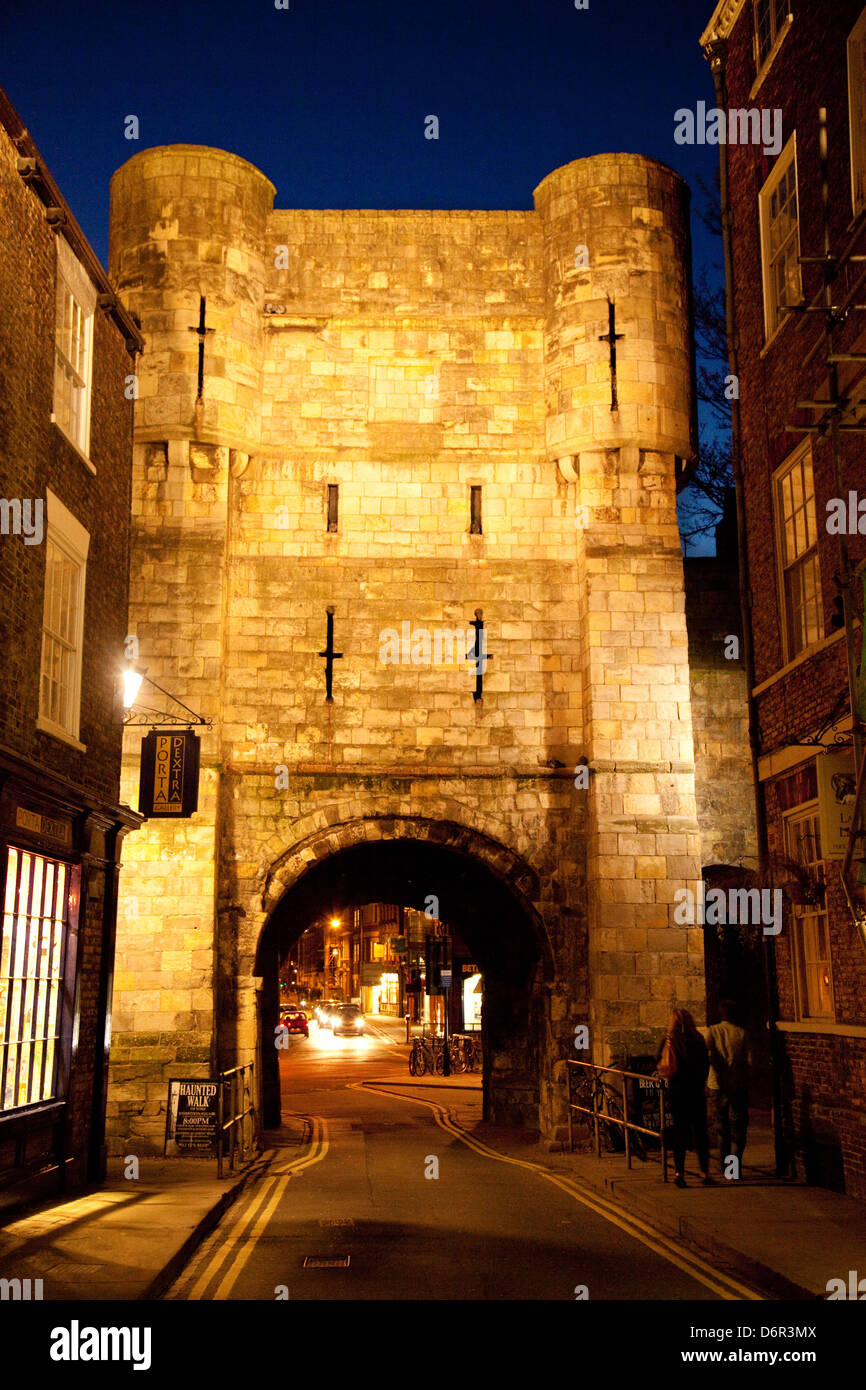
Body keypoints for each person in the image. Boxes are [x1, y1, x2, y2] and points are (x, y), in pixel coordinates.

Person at [657, 1008, 712, 1188]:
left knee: (680, 1132)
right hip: (696, 1092)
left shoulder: (669, 1040)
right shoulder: (698, 1039)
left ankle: (679, 1172)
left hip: (677, 1092)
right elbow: (706, 1064)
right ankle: (704, 1172)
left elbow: (659, 1061)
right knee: (700, 1133)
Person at [703, 999, 752, 1171]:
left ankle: (725, 1166)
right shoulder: (742, 1033)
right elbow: (750, 1061)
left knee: (722, 1127)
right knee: (738, 1129)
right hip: (737, 1086)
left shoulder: (712, 1031)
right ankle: (734, 1168)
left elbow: (707, 1056)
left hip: (717, 1085)